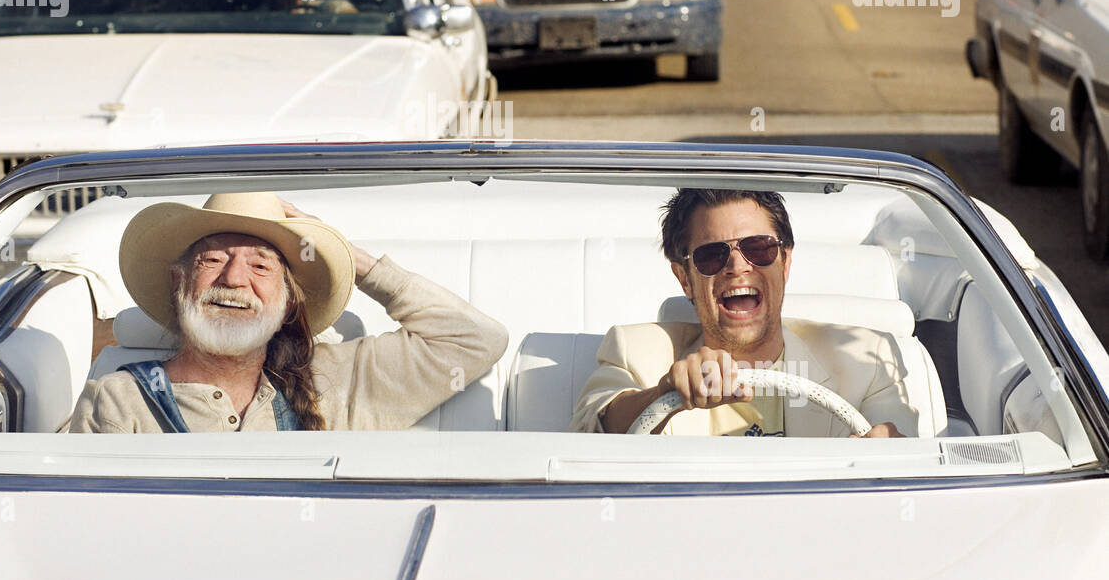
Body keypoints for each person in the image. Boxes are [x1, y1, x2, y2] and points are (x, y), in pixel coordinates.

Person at [70, 191, 508, 432]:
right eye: (213, 260)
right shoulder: (116, 398)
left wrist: (347, 256)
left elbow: (475, 339)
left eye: (261, 265)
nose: (235, 279)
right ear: (178, 281)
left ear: (289, 301)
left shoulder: (336, 381)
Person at [571, 188, 918, 438]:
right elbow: (591, 428)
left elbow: (903, 477)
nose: (738, 267)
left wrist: (887, 459)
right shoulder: (637, 352)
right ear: (685, 280)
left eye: (759, 248)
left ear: (785, 264)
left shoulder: (866, 361)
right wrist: (665, 394)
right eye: (711, 255)